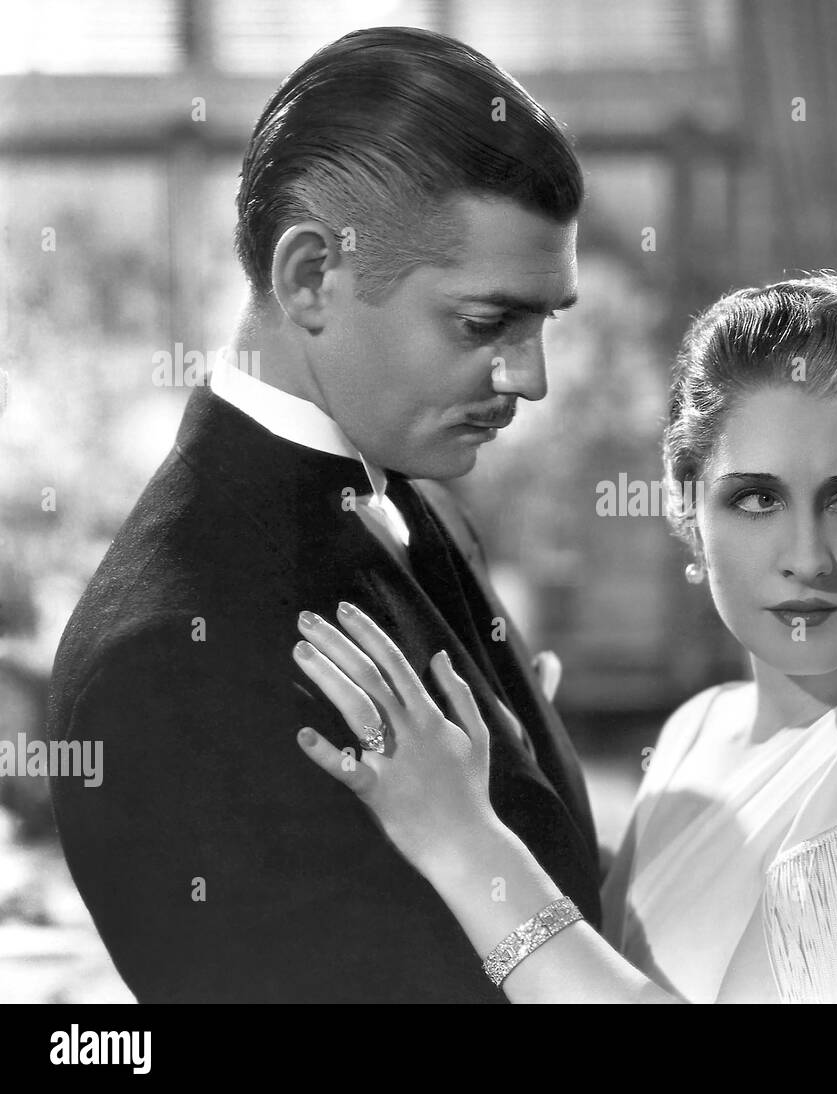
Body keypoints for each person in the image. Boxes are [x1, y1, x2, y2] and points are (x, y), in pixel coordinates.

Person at [46, 27, 599, 1002]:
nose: (531, 378)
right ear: (310, 276)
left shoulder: (416, 498)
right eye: (486, 323)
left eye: (543, 320)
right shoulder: (175, 653)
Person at [292, 272, 837, 1003]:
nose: (808, 557)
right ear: (691, 513)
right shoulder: (699, 729)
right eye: (757, 498)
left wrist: (464, 843)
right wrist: (509, 770)